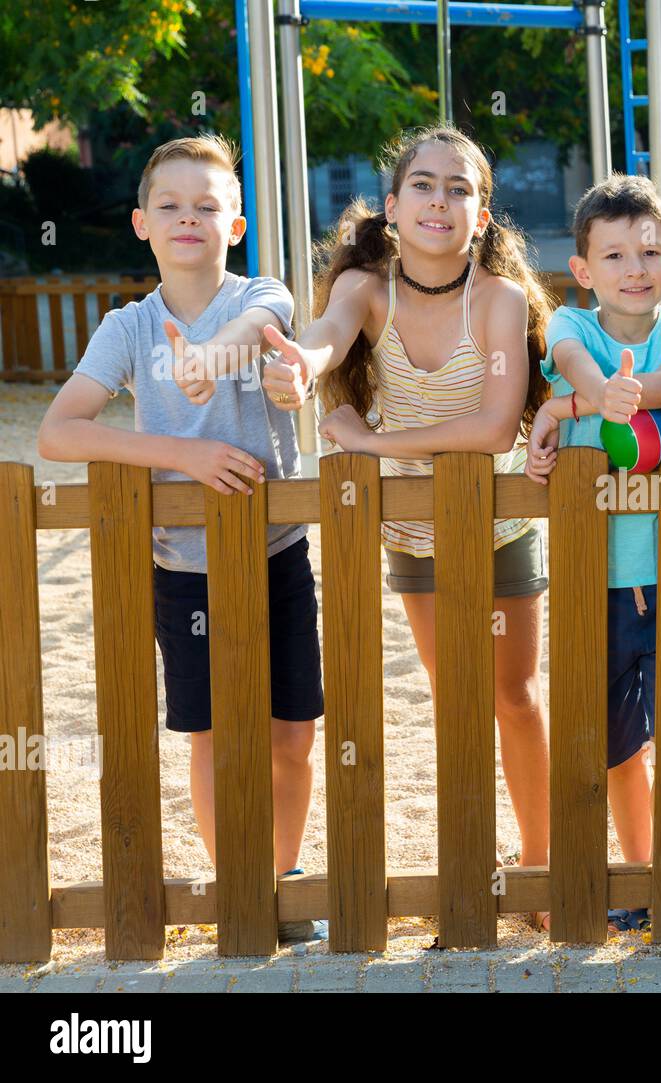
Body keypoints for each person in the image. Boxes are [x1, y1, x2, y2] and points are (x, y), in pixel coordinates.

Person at [260, 126, 554, 931]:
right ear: (393, 207)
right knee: (452, 691)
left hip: (497, 522)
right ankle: (469, 856)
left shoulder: (498, 301)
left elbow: (497, 429)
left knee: (514, 695)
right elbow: (323, 344)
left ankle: (539, 862)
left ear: (483, 215)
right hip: (413, 533)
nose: (440, 200)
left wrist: (371, 443)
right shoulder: (367, 288)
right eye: (423, 185)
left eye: (460, 189)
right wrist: (298, 367)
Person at [36, 134, 326, 943]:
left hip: (275, 551)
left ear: (236, 224)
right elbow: (61, 432)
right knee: (208, 732)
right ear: (141, 222)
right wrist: (180, 453)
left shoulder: (262, 296)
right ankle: (238, 877)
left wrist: (208, 362)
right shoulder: (128, 328)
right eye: (170, 205)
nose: (188, 217)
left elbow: (259, 330)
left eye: (207, 205)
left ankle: (286, 874)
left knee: (291, 730)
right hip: (184, 566)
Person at [524, 173, 661, 934]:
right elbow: (571, 365)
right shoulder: (574, 327)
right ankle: (637, 876)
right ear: (583, 269)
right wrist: (588, 395)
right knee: (612, 741)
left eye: (650, 251)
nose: (635, 268)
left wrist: (628, 396)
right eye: (614, 254)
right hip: (591, 578)